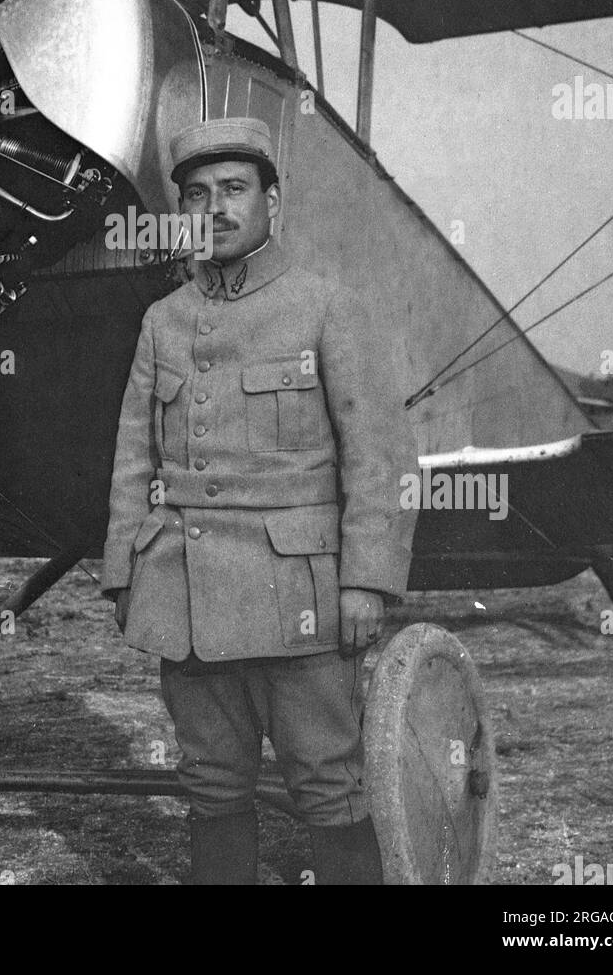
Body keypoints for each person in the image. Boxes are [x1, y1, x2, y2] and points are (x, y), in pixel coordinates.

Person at [101, 116, 418, 885]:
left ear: (272, 204)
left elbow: (379, 458)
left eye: (234, 189)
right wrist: (123, 574)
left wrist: (366, 582)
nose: (215, 207)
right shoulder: (161, 322)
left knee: (326, 781)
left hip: (297, 601)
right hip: (185, 597)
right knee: (210, 781)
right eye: (198, 193)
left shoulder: (325, 306)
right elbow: (132, 457)